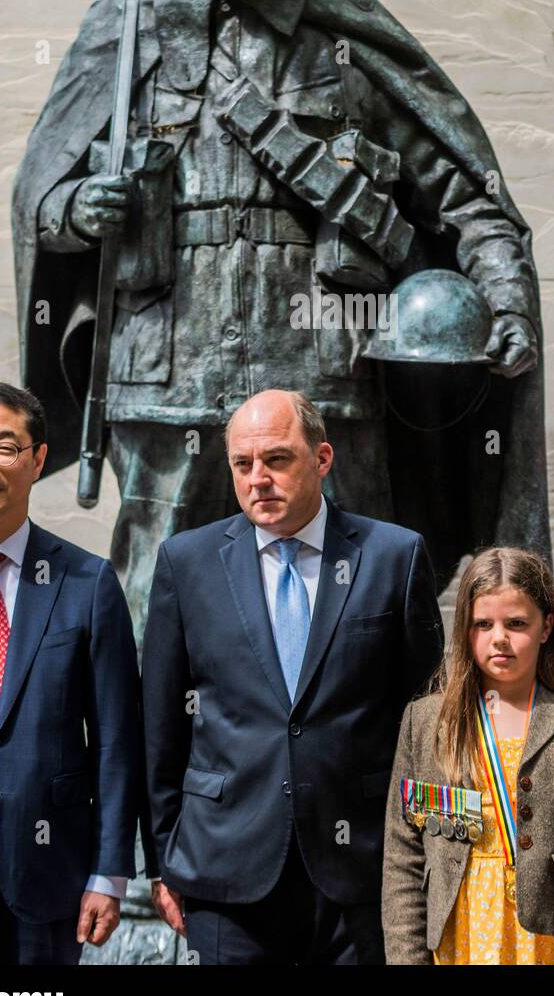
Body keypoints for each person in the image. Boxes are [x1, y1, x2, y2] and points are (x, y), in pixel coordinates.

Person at [12, 0, 550, 626]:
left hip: (325, 374)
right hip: (166, 378)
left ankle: (376, 760)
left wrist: (507, 301)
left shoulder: (342, 29)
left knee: (357, 612)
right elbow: (40, 193)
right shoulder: (127, 29)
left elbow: (464, 192)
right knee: (151, 608)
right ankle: (143, 760)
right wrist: (75, 210)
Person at [141, 388, 443, 964]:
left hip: (365, 869)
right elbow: (159, 725)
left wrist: (433, 850)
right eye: (243, 464)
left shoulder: (393, 555)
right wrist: (163, 860)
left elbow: (429, 721)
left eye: (277, 459)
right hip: (225, 872)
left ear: (322, 459)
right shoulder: (186, 562)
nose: (258, 479)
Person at [0, 382, 142, 966]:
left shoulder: (87, 583)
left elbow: (117, 741)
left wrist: (110, 872)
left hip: (49, 880)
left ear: (38, 459)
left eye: (5, 448)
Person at [382, 546, 554, 965]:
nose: (499, 637)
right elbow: (402, 857)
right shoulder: (426, 722)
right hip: (461, 931)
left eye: (516, 623)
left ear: (546, 626)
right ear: (465, 630)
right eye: (483, 624)